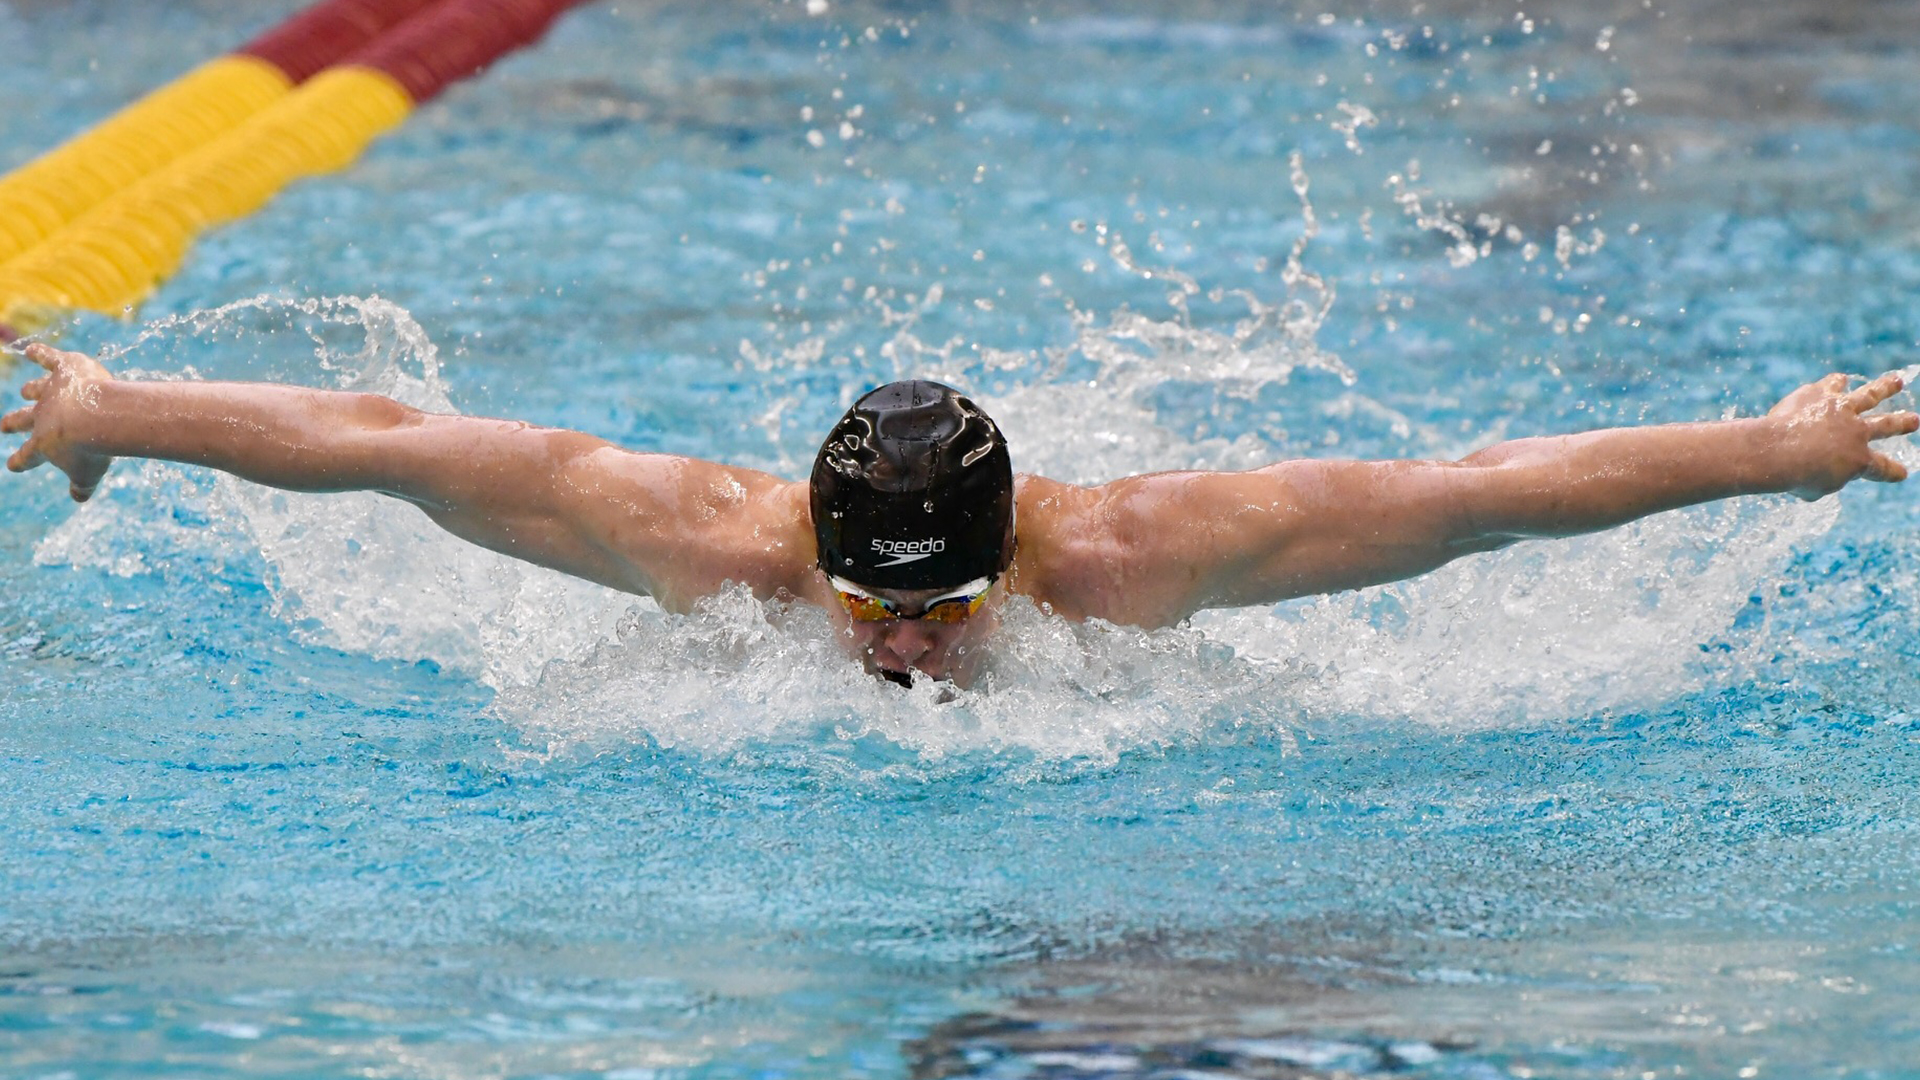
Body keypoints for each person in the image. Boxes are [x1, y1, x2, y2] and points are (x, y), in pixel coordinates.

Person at [4, 341, 1915, 687]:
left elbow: (1473, 498)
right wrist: (118, 410)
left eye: (940, 611)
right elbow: (386, 436)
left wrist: (1775, 452)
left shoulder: (1140, 558)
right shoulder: (698, 537)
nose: (904, 649)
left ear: (1014, 559)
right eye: (868, 610)